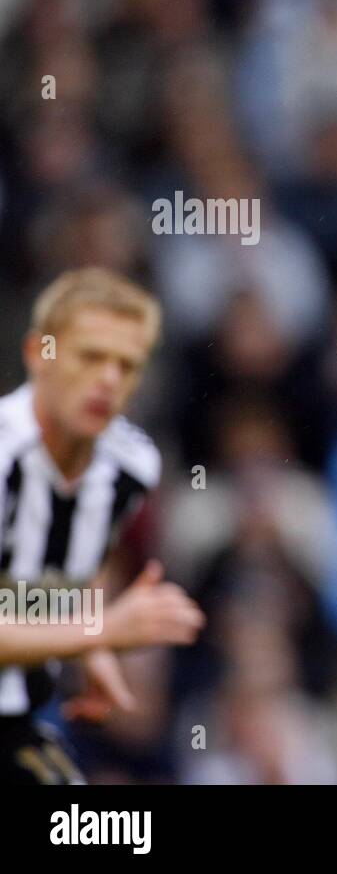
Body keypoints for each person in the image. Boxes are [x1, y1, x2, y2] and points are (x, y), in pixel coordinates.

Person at [0, 268, 205, 784]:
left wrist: (92, 652)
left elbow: (73, 573)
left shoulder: (132, 466)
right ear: (38, 354)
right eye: (90, 356)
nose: (109, 380)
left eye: (127, 365)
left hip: (15, 720)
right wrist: (102, 631)